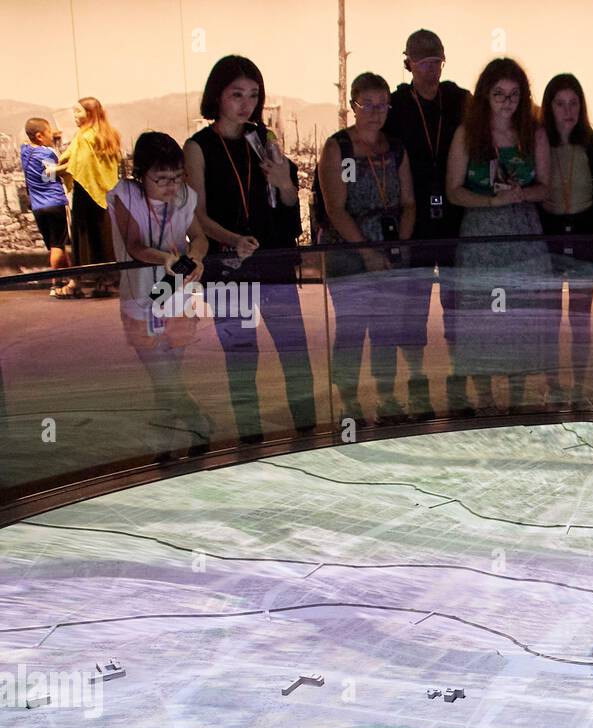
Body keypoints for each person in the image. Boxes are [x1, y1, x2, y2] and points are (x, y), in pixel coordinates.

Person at [185, 55, 317, 443]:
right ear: (218, 95)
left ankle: (308, 430)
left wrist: (285, 182)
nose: (246, 104)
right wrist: (231, 239)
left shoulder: (263, 140)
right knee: (242, 354)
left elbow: (288, 203)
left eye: (253, 95)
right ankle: (250, 435)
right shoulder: (198, 146)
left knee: (294, 348)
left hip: (273, 259)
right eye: (236, 94)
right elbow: (197, 213)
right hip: (229, 266)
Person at [445, 56, 553, 415]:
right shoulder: (467, 134)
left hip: (523, 234)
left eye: (514, 94)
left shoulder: (534, 133)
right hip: (481, 235)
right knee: (481, 317)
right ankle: (486, 398)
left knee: (520, 315)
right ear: (485, 96)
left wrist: (521, 194)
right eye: (499, 94)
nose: (507, 102)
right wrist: (492, 201)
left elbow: (546, 188)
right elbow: (454, 191)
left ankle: (518, 396)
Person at [318, 72, 418, 427]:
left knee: (387, 327)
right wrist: (367, 252)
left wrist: (397, 247)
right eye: (369, 105)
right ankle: (348, 401)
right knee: (352, 327)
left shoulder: (395, 149)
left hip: (389, 247)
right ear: (353, 106)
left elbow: (409, 202)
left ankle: (387, 397)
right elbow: (335, 209)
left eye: (383, 105)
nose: (376, 112)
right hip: (348, 250)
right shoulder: (339, 148)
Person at [105, 131, 211, 461]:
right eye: (161, 179)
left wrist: (195, 256)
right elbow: (134, 245)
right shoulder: (126, 196)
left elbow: (199, 237)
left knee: (168, 379)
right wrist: (164, 258)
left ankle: (166, 443)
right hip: (141, 299)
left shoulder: (185, 196)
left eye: (177, 177)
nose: (170, 186)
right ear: (141, 174)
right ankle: (198, 424)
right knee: (164, 378)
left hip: (177, 298)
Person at [383, 29, 470, 417]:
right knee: (412, 302)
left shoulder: (459, 100)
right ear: (409, 65)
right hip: (413, 214)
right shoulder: (397, 104)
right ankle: (417, 380)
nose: (431, 70)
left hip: (454, 213)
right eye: (423, 64)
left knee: (458, 300)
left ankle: (457, 377)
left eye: (436, 63)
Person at [539, 73, 593, 410]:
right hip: (550, 230)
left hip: (584, 229)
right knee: (550, 319)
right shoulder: (540, 142)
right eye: (560, 104)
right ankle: (553, 386)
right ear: (549, 107)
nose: (567, 111)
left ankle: (579, 387)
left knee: (580, 319)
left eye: (573, 103)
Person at [52, 97, 120, 297]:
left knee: (84, 239)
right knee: (104, 239)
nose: (74, 116)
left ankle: (77, 282)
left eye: (78, 111)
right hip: (106, 193)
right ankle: (107, 281)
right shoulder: (110, 134)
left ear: (89, 114)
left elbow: (78, 165)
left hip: (86, 192)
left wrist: (54, 171)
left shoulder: (84, 136)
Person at [21, 118, 72, 296]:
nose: (52, 135)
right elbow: (50, 176)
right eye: (49, 132)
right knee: (58, 245)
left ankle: (70, 279)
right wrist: (70, 164)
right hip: (54, 203)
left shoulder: (24, 151)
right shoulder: (47, 154)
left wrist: (49, 137)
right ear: (40, 136)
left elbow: (30, 141)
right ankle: (55, 284)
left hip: (38, 206)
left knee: (56, 245)